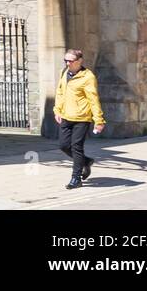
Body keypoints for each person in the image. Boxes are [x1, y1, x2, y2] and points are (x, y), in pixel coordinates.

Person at [54, 48, 105, 189]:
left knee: (76, 147)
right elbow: (60, 93)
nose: (67, 63)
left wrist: (99, 121)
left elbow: (93, 100)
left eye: (70, 61)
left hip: (82, 118)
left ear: (79, 61)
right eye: (65, 60)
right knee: (63, 146)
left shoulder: (88, 77)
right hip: (66, 116)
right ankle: (86, 161)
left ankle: (76, 178)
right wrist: (57, 110)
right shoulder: (64, 73)